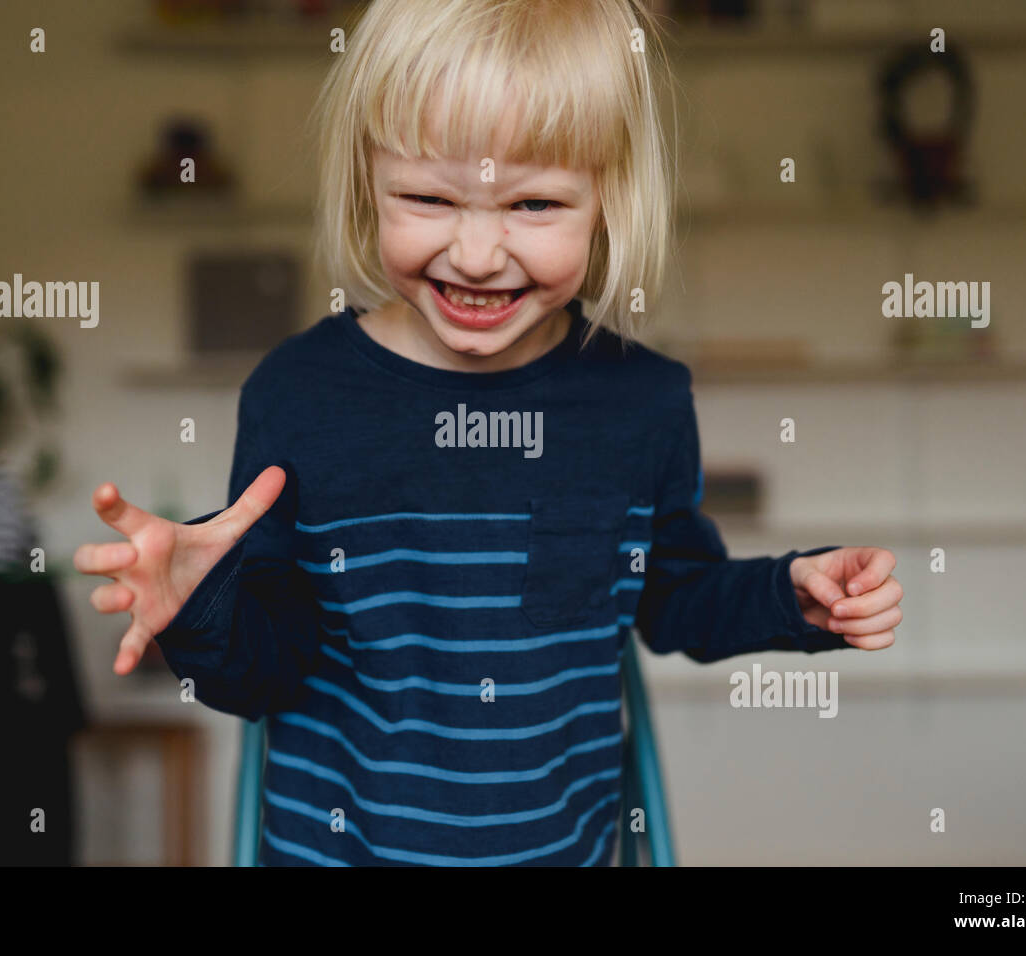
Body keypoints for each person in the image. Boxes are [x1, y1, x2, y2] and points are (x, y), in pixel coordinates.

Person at [74, 0, 903, 866]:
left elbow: (670, 598)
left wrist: (790, 595)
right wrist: (196, 611)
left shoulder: (641, 402)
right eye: (429, 197)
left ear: (609, 201)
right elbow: (263, 674)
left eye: (535, 203)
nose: (475, 254)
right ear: (368, 180)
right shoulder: (297, 396)